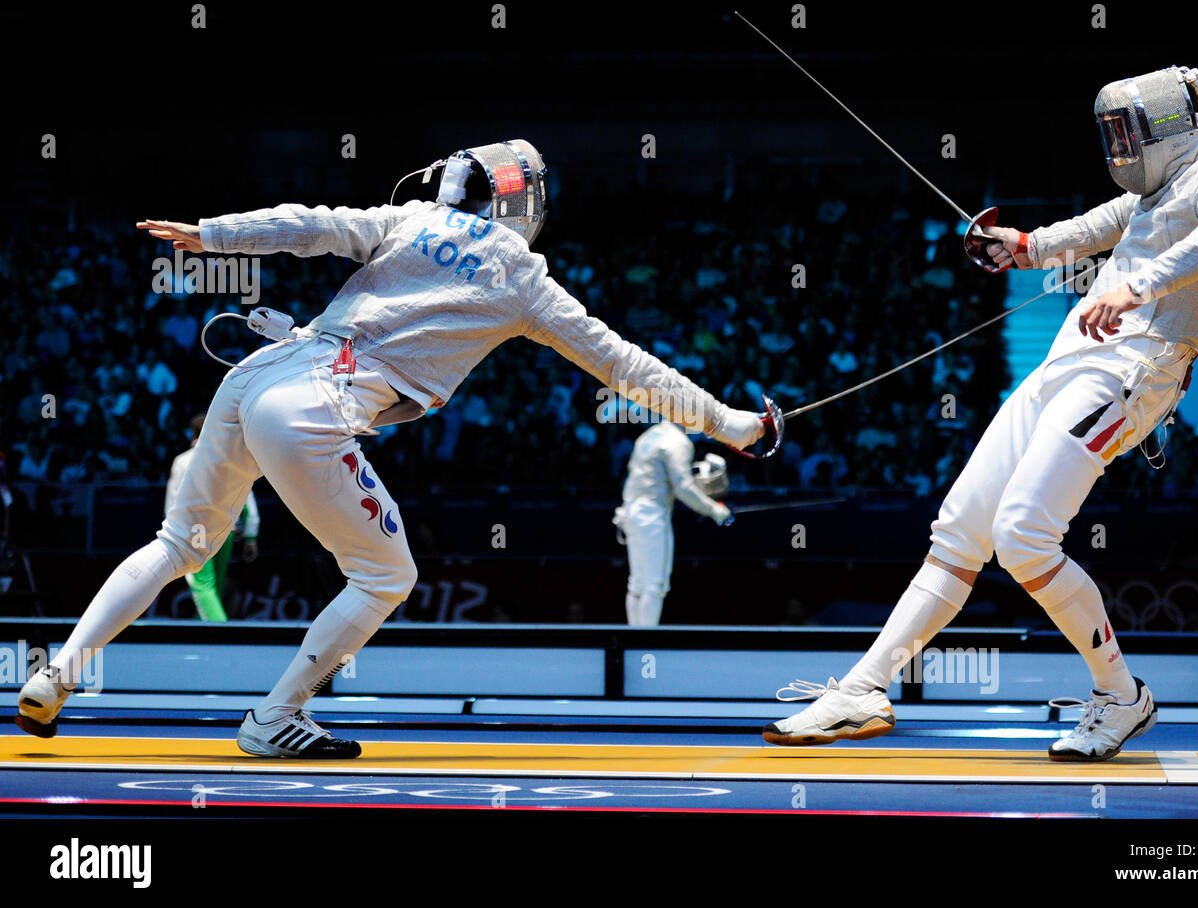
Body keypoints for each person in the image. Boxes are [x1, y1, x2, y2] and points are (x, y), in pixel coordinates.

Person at [16, 139, 769, 757]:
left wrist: (212, 236)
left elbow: (307, 226)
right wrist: (733, 426)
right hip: (309, 405)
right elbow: (627, 368)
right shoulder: (523, 277)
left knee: (179, 541)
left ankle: (57, 675)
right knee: (385, 575)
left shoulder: (408, 220)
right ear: (517, 203)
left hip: (252, 378)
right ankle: (274, 717)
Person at [765, 67, 1198, 761]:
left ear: (1168, 124)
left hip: (1134, 374)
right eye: (1111, 135)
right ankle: (862, 689)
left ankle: (1121, 697)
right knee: (960, 529)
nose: (1120, 148)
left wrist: (1137, 285)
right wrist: (1027, 247)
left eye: (1129, 133)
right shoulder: (1158, 190)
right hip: (1070, 365)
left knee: (1025, 533)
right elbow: (1102, 224)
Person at [615, 422, 730, 626]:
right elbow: (683, 487)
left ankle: (632, 641)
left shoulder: (650, 434)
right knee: (654, 585)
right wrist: (713, 509)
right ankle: (644, 643)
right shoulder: (678, 442)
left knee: (638, 584)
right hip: (652, 514)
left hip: (630, 511)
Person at [166, 413, 259, 621]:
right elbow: (247, 501)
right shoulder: (233, 460)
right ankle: (205, 635)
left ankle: (221, 635)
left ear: (193, 435)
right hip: (226, 529)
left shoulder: (182, 461)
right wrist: (251, 536)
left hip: (195, 530)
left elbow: (173, 502)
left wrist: (172, 534)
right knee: (215, 583)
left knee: (203, 586)